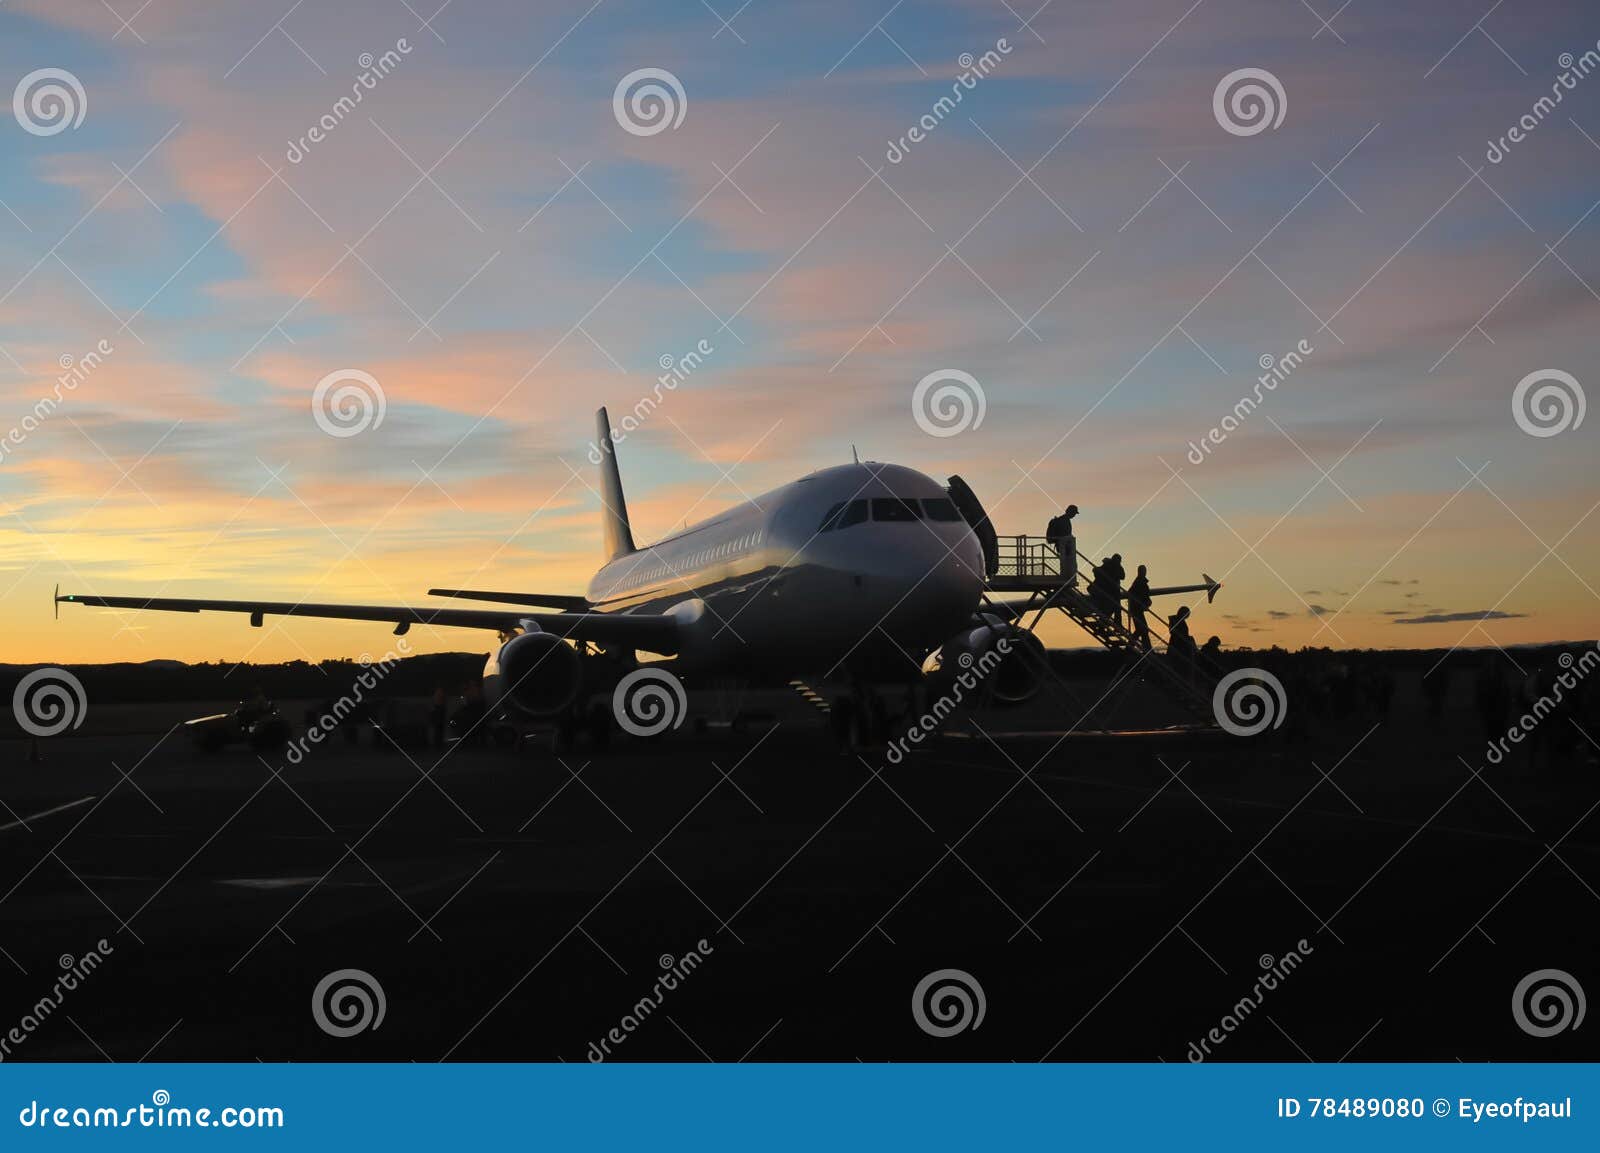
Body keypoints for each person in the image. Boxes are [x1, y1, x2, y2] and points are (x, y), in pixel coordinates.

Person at [1046, 504, 1079, 584]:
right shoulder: (1064, 520)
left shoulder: (1062, 520)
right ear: (1070, 512)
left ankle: (1066, 576)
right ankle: (1067, 577)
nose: (1074, 515)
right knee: (1069, 563)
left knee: (1065, 563)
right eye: (1074, 513)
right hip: (1065, 547)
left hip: (1063, 546)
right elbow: (1064, 534)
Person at [1126, 564, 1153, 650]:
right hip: (1137, 609)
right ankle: (1147, 649)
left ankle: (1132, 647)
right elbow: (1139, 594)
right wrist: (1145, 602)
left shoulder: (1139, 582)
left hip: (1136, 609)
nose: (1144, 572)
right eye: (1143, 571)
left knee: (1140, 630)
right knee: (1143, 629)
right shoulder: (1139, 582)